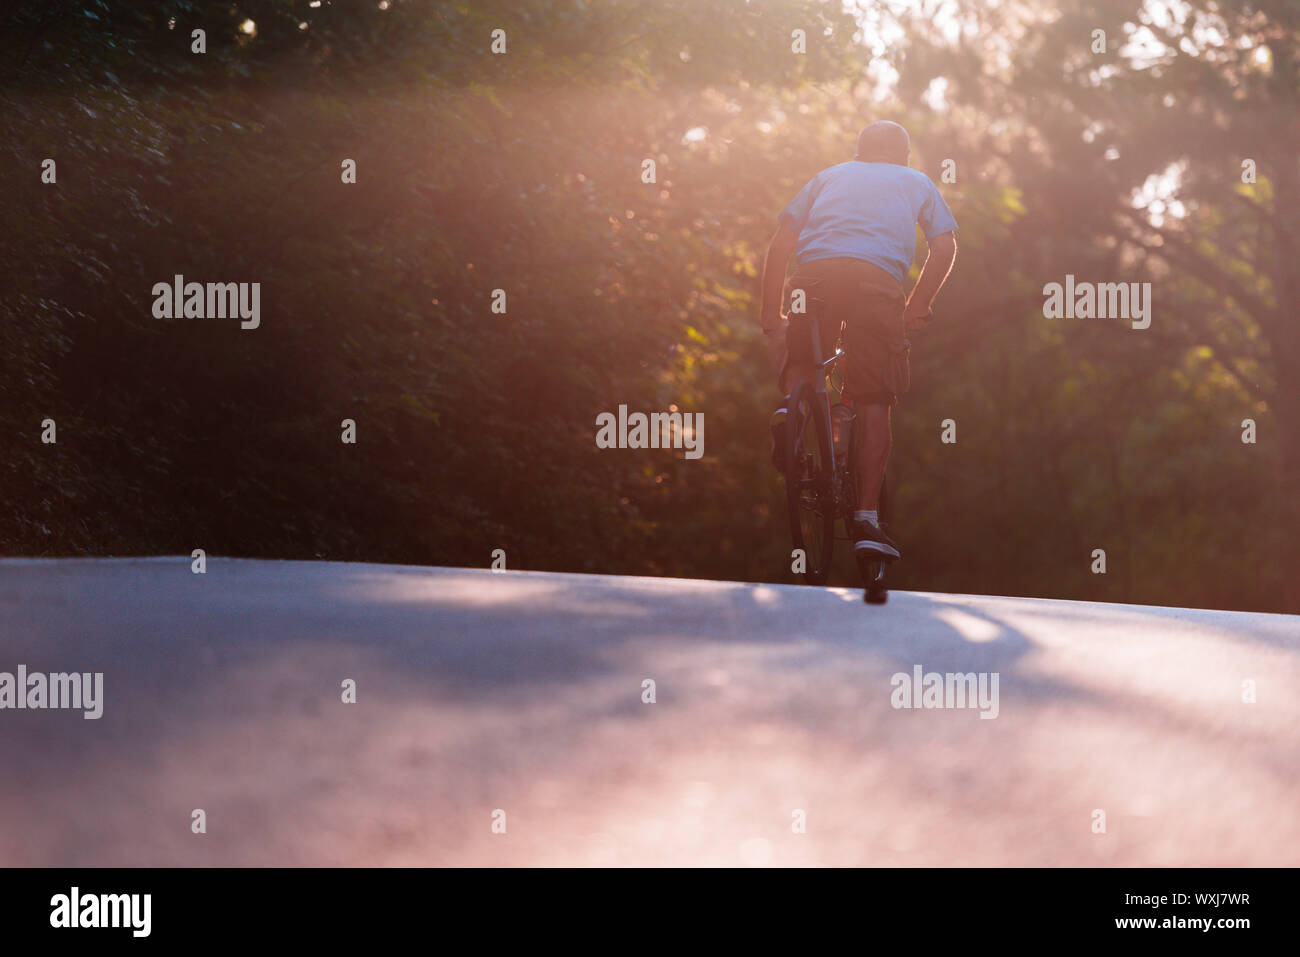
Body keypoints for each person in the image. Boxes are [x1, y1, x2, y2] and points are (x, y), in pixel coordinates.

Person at [760, 120, 958, 563]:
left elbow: (779, 246)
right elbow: (944, 248)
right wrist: (917, 305)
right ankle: (867, 519)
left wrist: (770, 314)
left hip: (813, 277)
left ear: (857, 152)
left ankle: (790, 413)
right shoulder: (917, 181)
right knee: (874, 400)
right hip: (876, 285)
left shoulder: (827, 176)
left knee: (804, 362)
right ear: (903, 157)